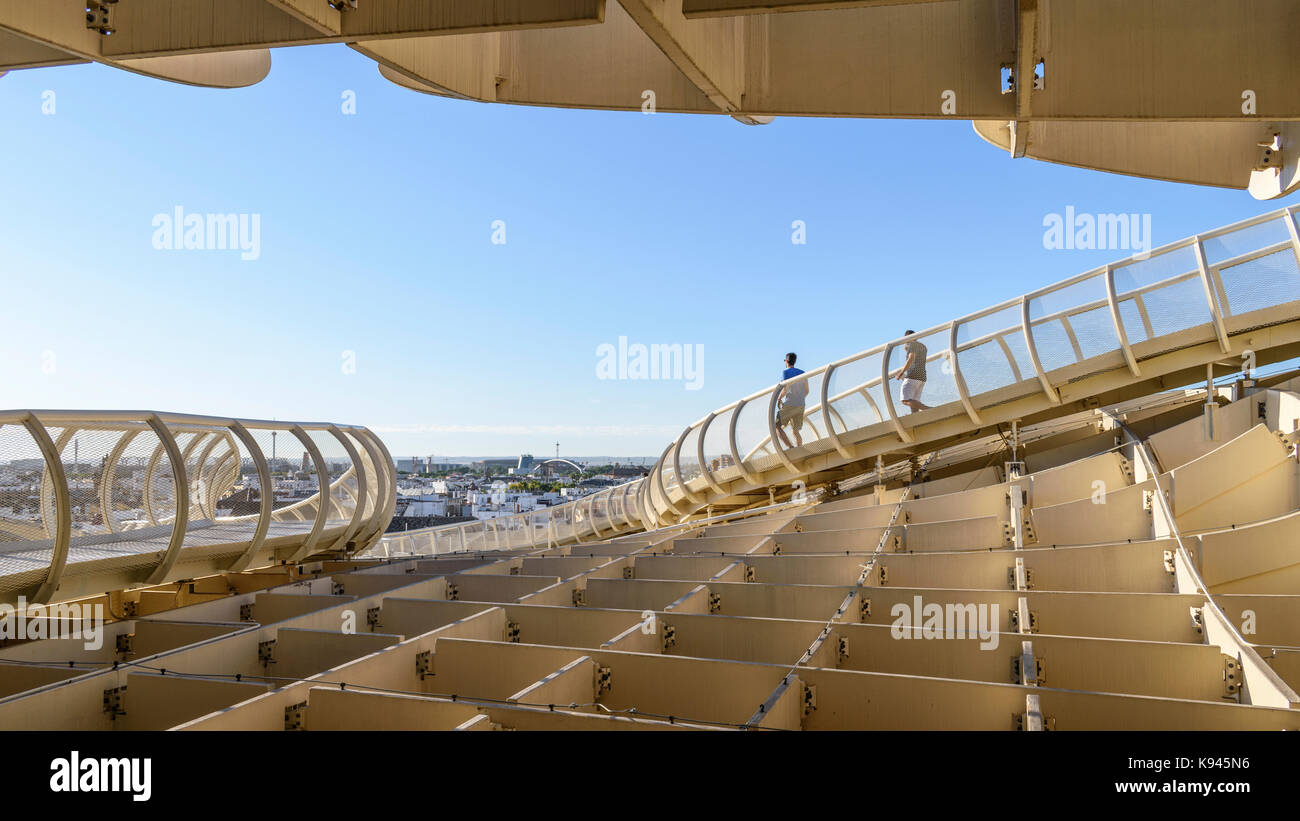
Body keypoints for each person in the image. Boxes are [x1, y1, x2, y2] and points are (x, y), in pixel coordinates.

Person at [892, 330, 931, 413]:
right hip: (922, 377)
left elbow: (911, 358)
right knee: (914, 403)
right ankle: (917, 420)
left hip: (912, 376)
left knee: (905, 400)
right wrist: (907, 348)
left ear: (907, 338)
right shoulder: (923, 346)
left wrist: (901, 373)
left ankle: (930, 410)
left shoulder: (913, 345)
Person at [777, 352, 807, 448]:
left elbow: (785, 389)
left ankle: (790, 447)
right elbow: (807, 390)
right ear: (795, 361)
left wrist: (779, 398)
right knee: (795, 431)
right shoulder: (802, 373)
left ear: (786, 361)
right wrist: (799, 398)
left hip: (790, 404)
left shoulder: (785, 372)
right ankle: (800, 449)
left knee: (776, 426)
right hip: (801, 404)